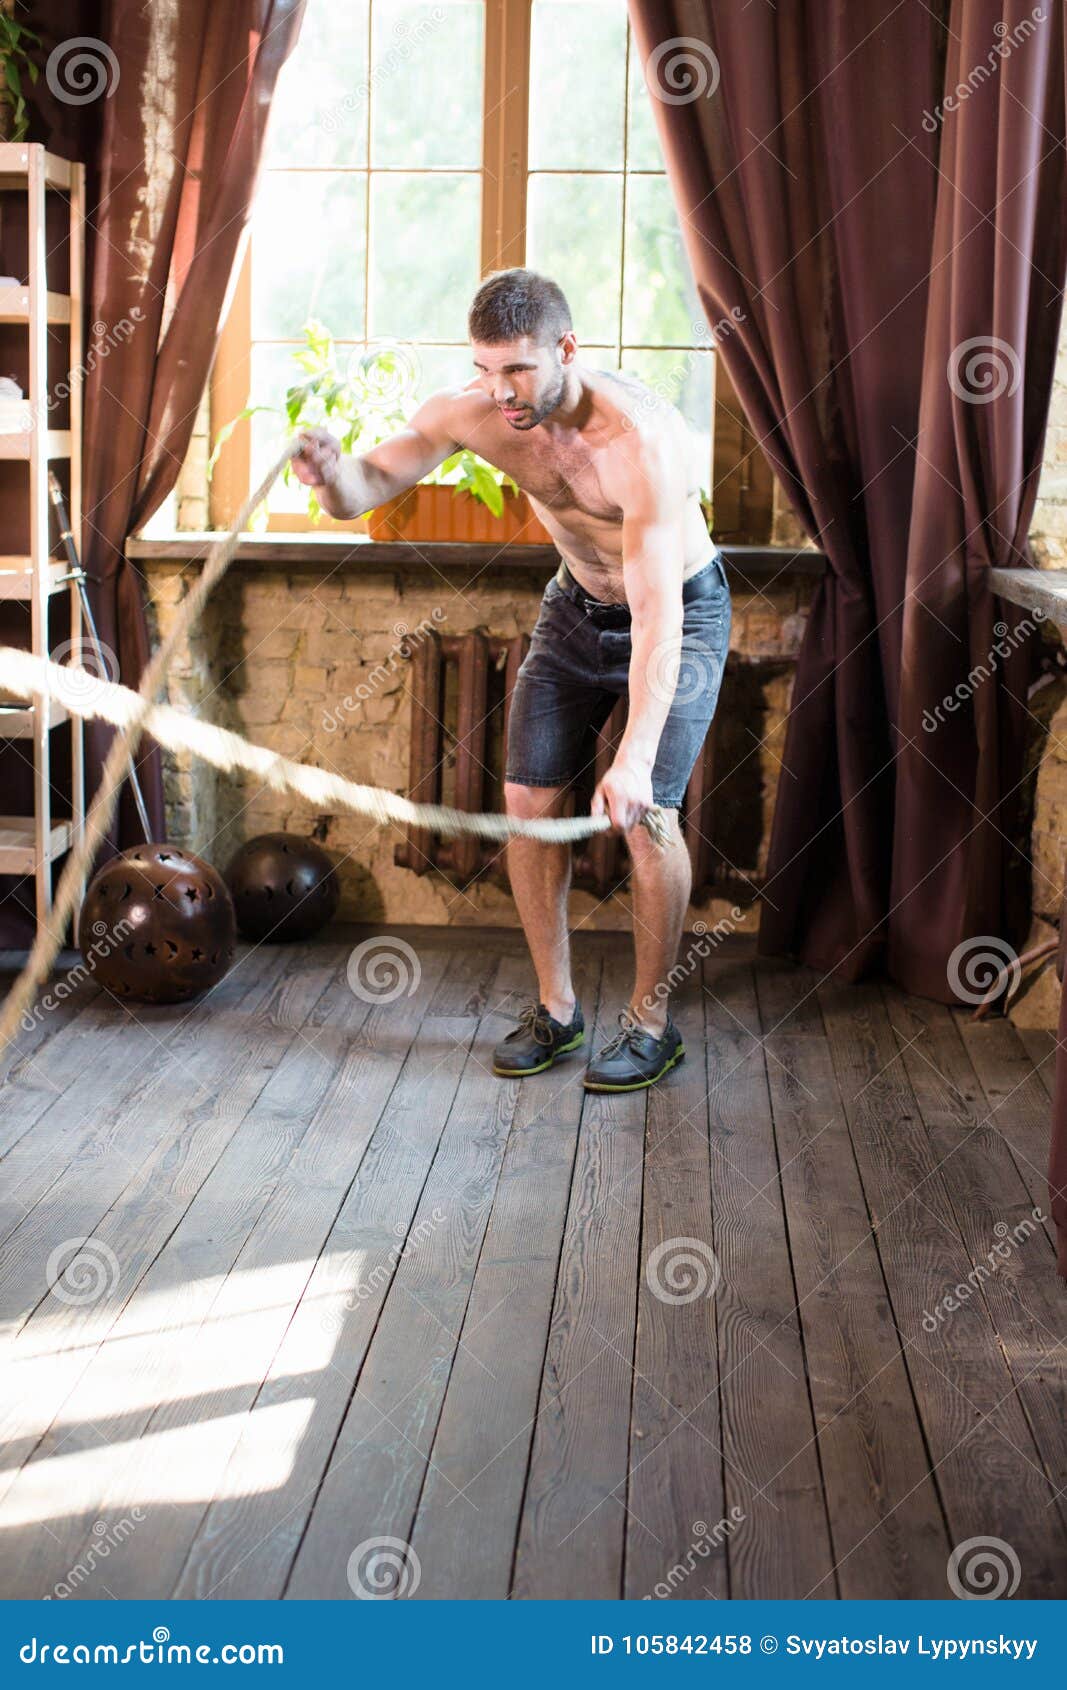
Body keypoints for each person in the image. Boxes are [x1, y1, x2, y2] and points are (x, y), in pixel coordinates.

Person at [291, 268, 731, 1091]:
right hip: (574, 608)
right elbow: (368, 488)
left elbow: (657, 614)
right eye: (486, 369)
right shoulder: (475, 411)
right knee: (527, 804)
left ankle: (649, 1023)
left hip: (677, 612)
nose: (500, 391)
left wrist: (633, 757)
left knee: (649, 820)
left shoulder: (638, 443)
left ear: (566, 349)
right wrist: (329, 473)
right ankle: (557, 1012)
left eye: (519, 369)